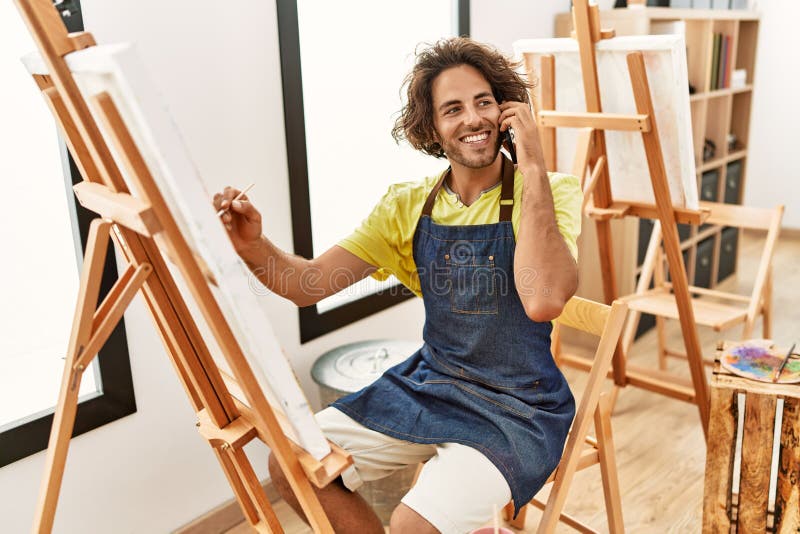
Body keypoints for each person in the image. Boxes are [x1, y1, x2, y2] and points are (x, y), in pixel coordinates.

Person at [213, 36, 582, 534]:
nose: (473, 119)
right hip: (432, 384)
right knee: (295, 462)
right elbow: (308, 284)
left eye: (484, 102)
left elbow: (542, 301)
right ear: (433, 128)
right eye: (453, 109)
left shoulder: (551, 192)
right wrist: (254, 246)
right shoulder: (405, 208)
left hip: (519, 408)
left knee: (411, 523)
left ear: (506, 110)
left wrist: (533, 165)